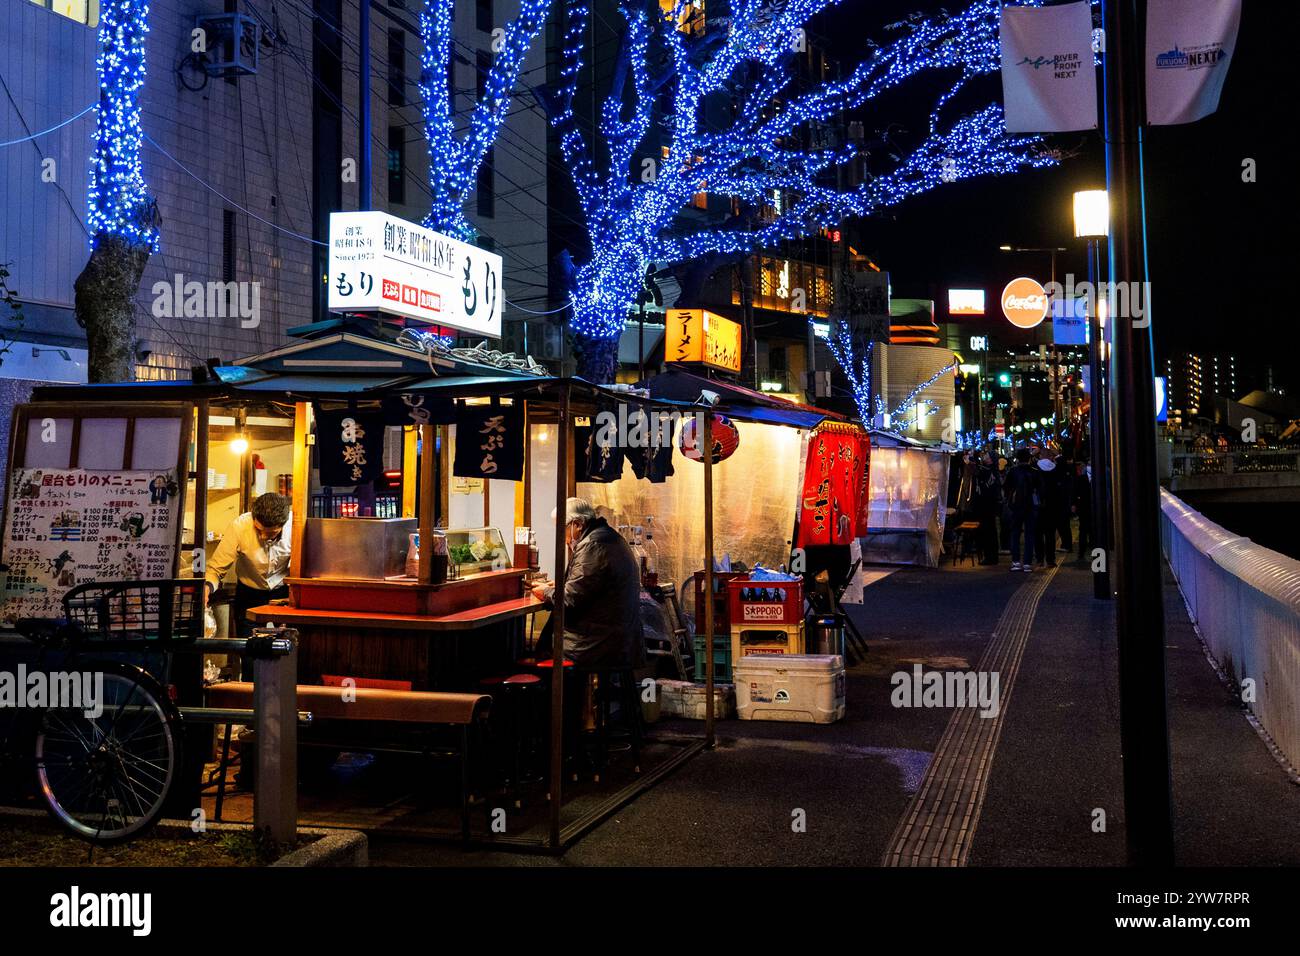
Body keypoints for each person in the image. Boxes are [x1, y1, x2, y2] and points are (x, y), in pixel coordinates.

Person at [531, 497, 645, 668]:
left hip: (595, 644)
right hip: (619, 638)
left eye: (563, 529)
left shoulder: (592, 545)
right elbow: (591, 584)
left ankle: (561, 694)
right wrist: (562, 584)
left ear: (577, 524)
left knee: (539, 649)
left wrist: (545, 592)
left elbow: (569, 600)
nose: (564, 538)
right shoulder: (609, 537)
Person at [205, 492, 292, 640]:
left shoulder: (294, 527)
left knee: (286, 646)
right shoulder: (239, 526)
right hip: (249, 593)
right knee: (247, 648)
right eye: (258, 530)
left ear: (283, 525)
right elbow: (216, 569)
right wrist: (206, 588)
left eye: (271, 533)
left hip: (282, 593)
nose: (263, 537)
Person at [1002, 448, 1040, 572]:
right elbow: (1040, 489)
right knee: (1030, 534)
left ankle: (1016, 561)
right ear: (1029, 458)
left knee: (1015, 533)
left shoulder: (1013, 471)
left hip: (1016, 505)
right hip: (1031, 506)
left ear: (1018, 459)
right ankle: (1027, 563)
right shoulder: (1034, 471)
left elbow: (1006, 487)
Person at [969, 451, 1002, 565]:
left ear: (990, 460)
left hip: (986, 505)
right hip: (989, 505)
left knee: (988, 531)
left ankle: (990, 556)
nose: (984, 457)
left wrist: (971, 462)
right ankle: (991, 556)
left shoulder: (988, 471)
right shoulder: (992, 471)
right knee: (990, 531)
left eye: (986, 457)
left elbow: (977, 473)